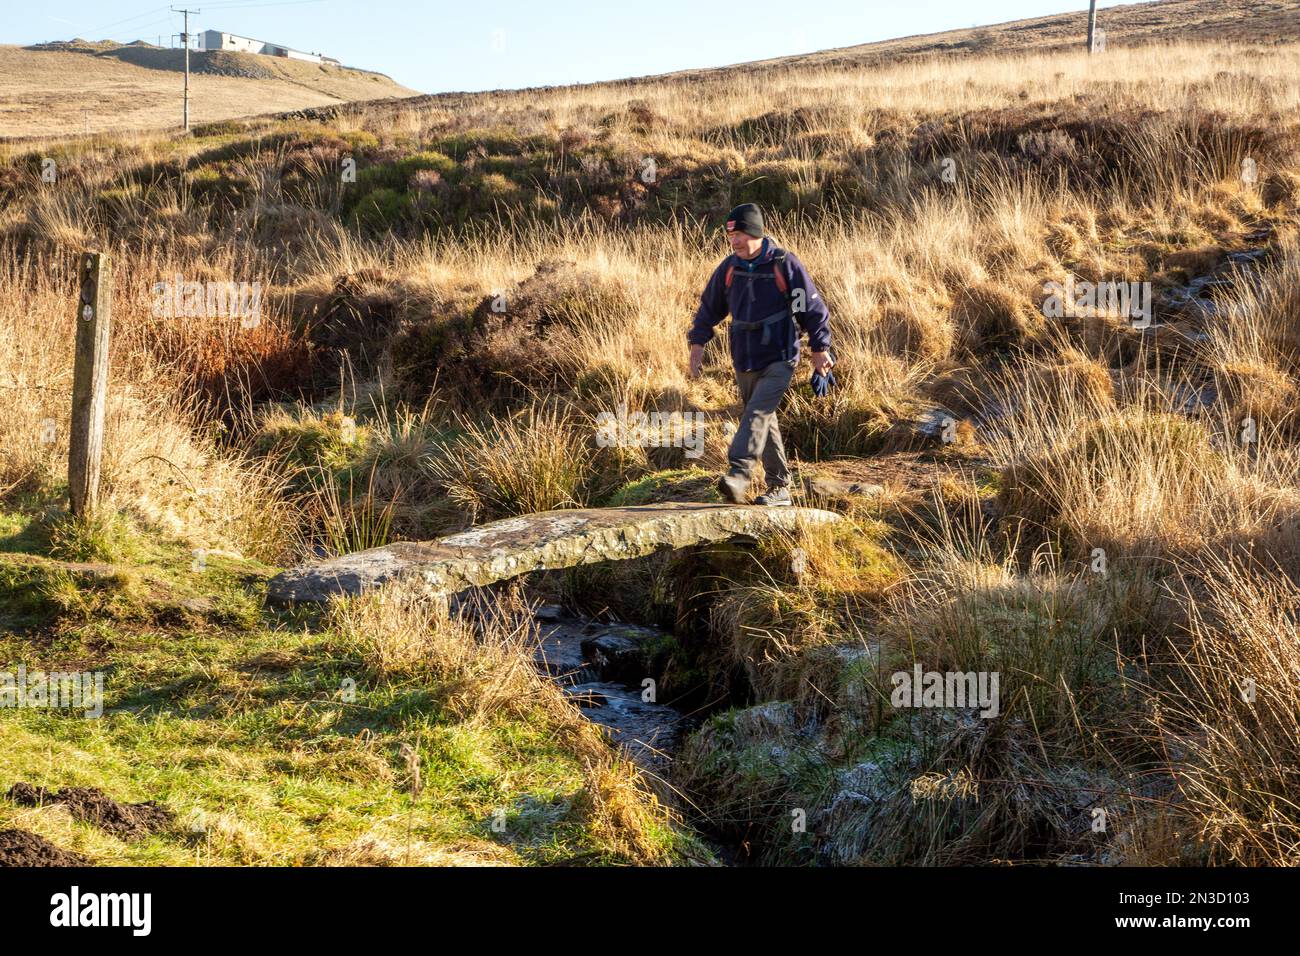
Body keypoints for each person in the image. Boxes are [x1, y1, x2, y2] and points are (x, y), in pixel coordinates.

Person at [687, 203, 833, 506]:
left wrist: (820, 348)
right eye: (731, 236)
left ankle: (739, 473)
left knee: (756, 414)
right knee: (763, 419)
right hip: (744, 357)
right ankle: (780, 487)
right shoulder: (729, 268)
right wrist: (697, 345)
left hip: (780, 355)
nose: (735, 241)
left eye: (740, 234)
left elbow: (812, 309)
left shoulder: (784, 264)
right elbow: (708, 309)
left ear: (755, 232)